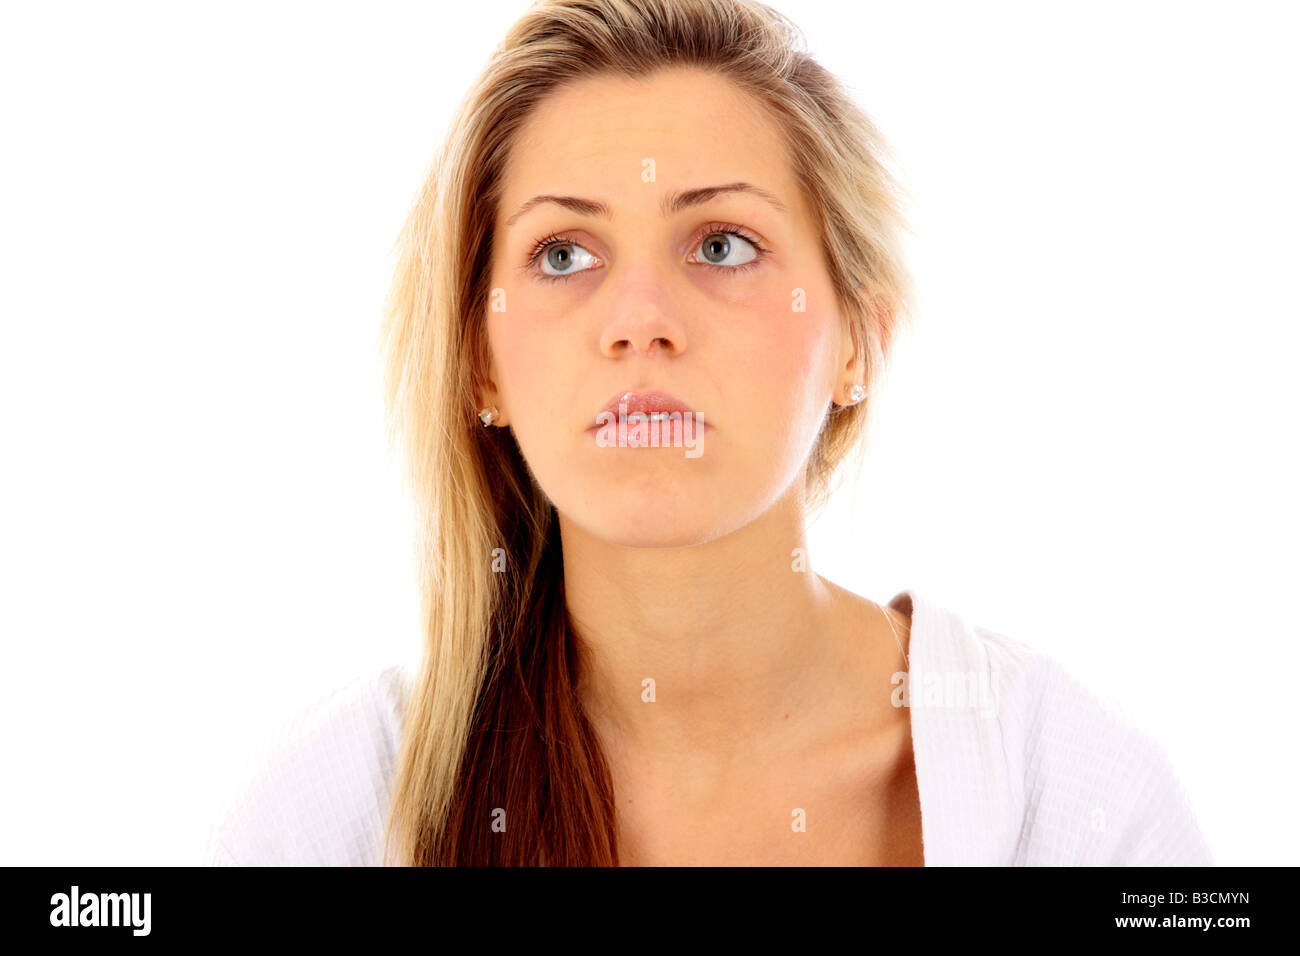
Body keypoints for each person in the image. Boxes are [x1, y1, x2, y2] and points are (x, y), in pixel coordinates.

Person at [203, 0, 1212, 867]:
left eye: (721, 244)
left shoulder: (1073, 792)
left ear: (859, 335)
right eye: (563, 254)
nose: (639, 318)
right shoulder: (335, 810)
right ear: (479, 360)